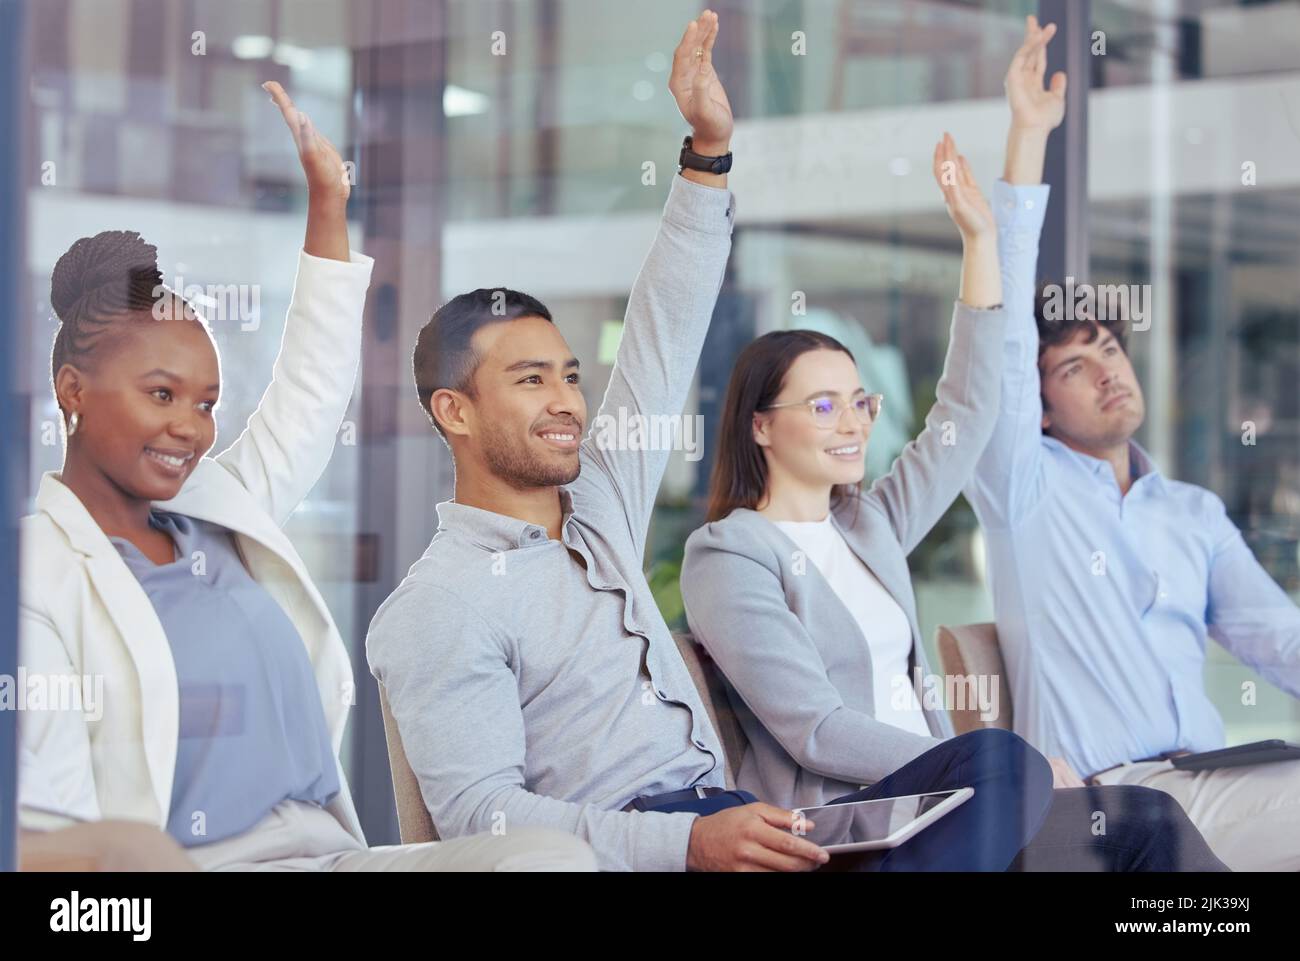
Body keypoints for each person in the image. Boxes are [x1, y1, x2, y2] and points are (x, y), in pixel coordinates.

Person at [678, 22, 1223, 872]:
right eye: (824, 404)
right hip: (853, 826)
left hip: (952, 802)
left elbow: (968, 408)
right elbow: (815, 729)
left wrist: (978, 242)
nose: (854, 421)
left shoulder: (871, 525)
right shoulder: (727, 554)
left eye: (859, 401)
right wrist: (990, 772)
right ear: (760, 423)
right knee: (1024, 771)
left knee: (1148, 821)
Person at [17, 80, 593, 874]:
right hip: (194, 870)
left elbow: (309, 395)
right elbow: (47, 831)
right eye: (161, 394)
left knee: (546, 858)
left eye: (206, 401)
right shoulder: (35, 575)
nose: (191, 425)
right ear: (73, 391)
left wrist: (328, 203)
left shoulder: (215, 509)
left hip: (326, 854)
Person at [369, 10, 844, 873]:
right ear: (454, 411)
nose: (566, 403)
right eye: (529, 380)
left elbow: (664, 330)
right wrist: (686, 842)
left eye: (569, 375)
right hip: (649, 852)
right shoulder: (437, 606)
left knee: (1001, 779)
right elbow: (486, 816)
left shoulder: (598, 507)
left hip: (741, 821)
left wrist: (706, 151)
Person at [962, 15, 1300, 872]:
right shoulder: (1019, 486)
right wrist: (1028, 141)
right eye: (1074, 366)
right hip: (1117, 799)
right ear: (1036, 407)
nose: (1108, 371)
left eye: (1109, 349)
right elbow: (996, 345)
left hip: (1220, 776)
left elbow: (1277, 640)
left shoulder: (1192, 511)